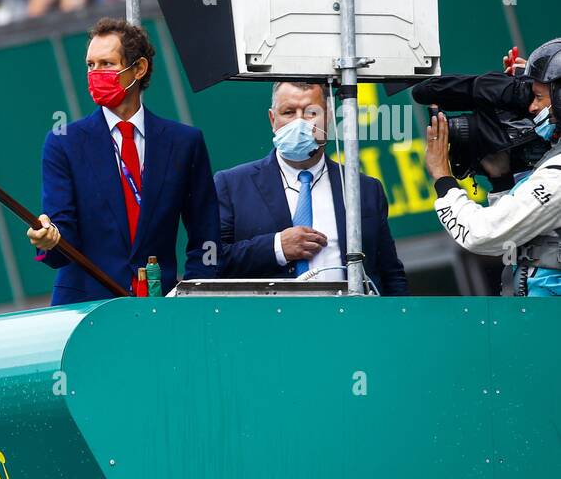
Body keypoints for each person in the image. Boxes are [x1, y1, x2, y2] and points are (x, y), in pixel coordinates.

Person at [27, 18, 221, 303]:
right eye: (90, 65)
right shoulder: (64, 142)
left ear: (139, 69)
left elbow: (206, 234)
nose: (96, 73)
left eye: (106, 64)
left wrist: (194, 296)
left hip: (162, 307)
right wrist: (49, 240)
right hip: (85, 311)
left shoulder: (184, 143)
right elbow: (61, 236)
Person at [214, 81, 408, 294]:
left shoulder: (364, 189)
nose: (299, 122)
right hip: (269, 322)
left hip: (351, 320)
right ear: (272, 119)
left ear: (330, 118)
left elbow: (390, 274)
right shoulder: (232, 186)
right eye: (288, 112)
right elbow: (209, 262)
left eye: (311, 112)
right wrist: (277, 247)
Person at [426, 49, 561, 296]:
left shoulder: (557, 176)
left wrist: (443, 178)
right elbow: (518, 235)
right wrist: (501, 180)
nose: (531, 108)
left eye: (538, 97)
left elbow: (483, 234)